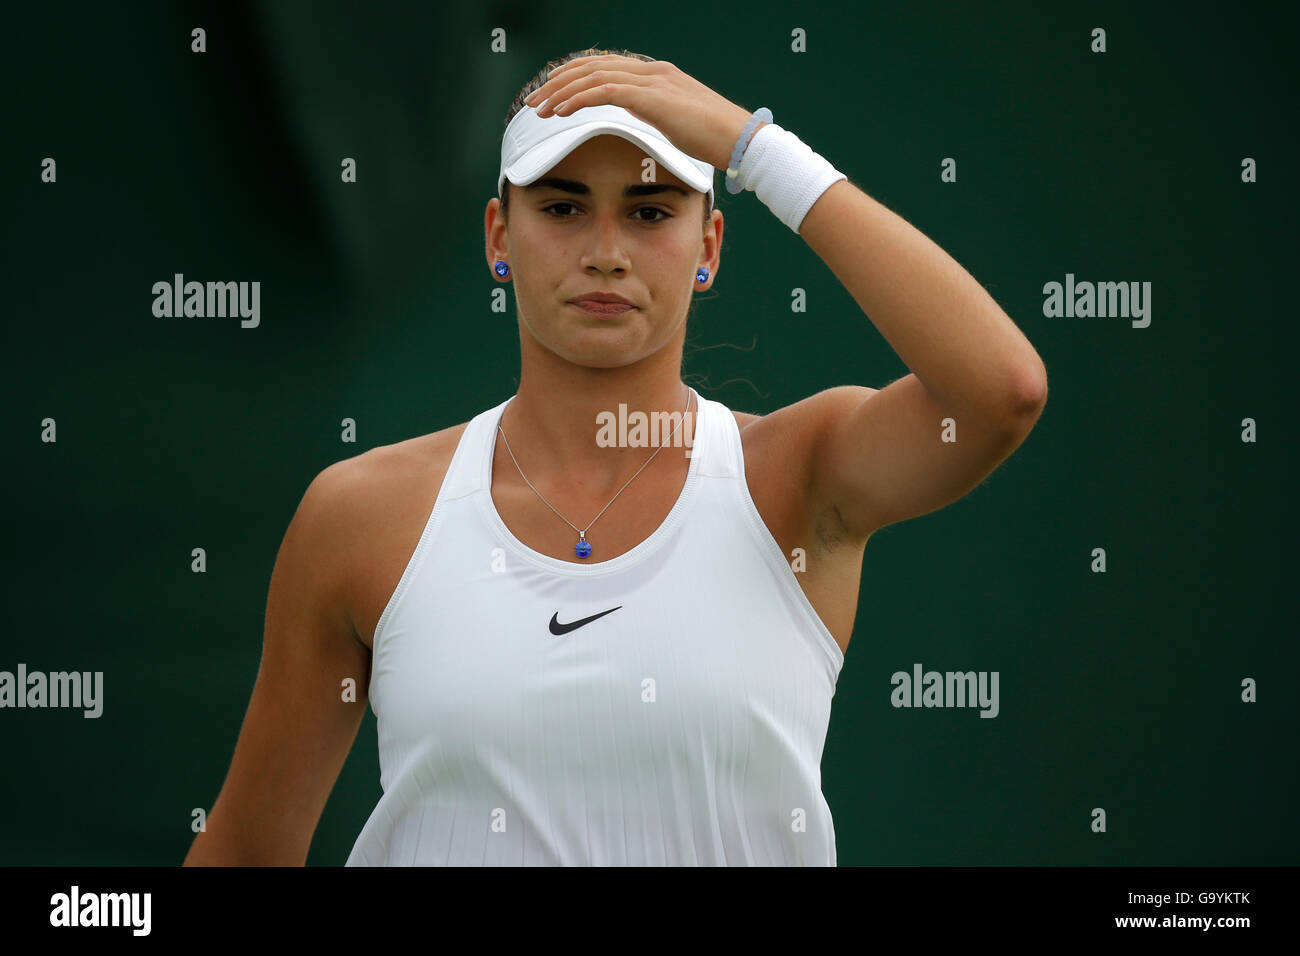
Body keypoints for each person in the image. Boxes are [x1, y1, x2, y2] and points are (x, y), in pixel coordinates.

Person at [183, 47, 1046, 867]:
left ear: (708, 246)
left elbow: (1001, 392)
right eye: (561, 207)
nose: (605, 251)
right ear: (497, 237)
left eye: (649, 210)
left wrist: (757, 149)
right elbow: (243, 852)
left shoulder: (796, 477)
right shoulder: (359, 514)